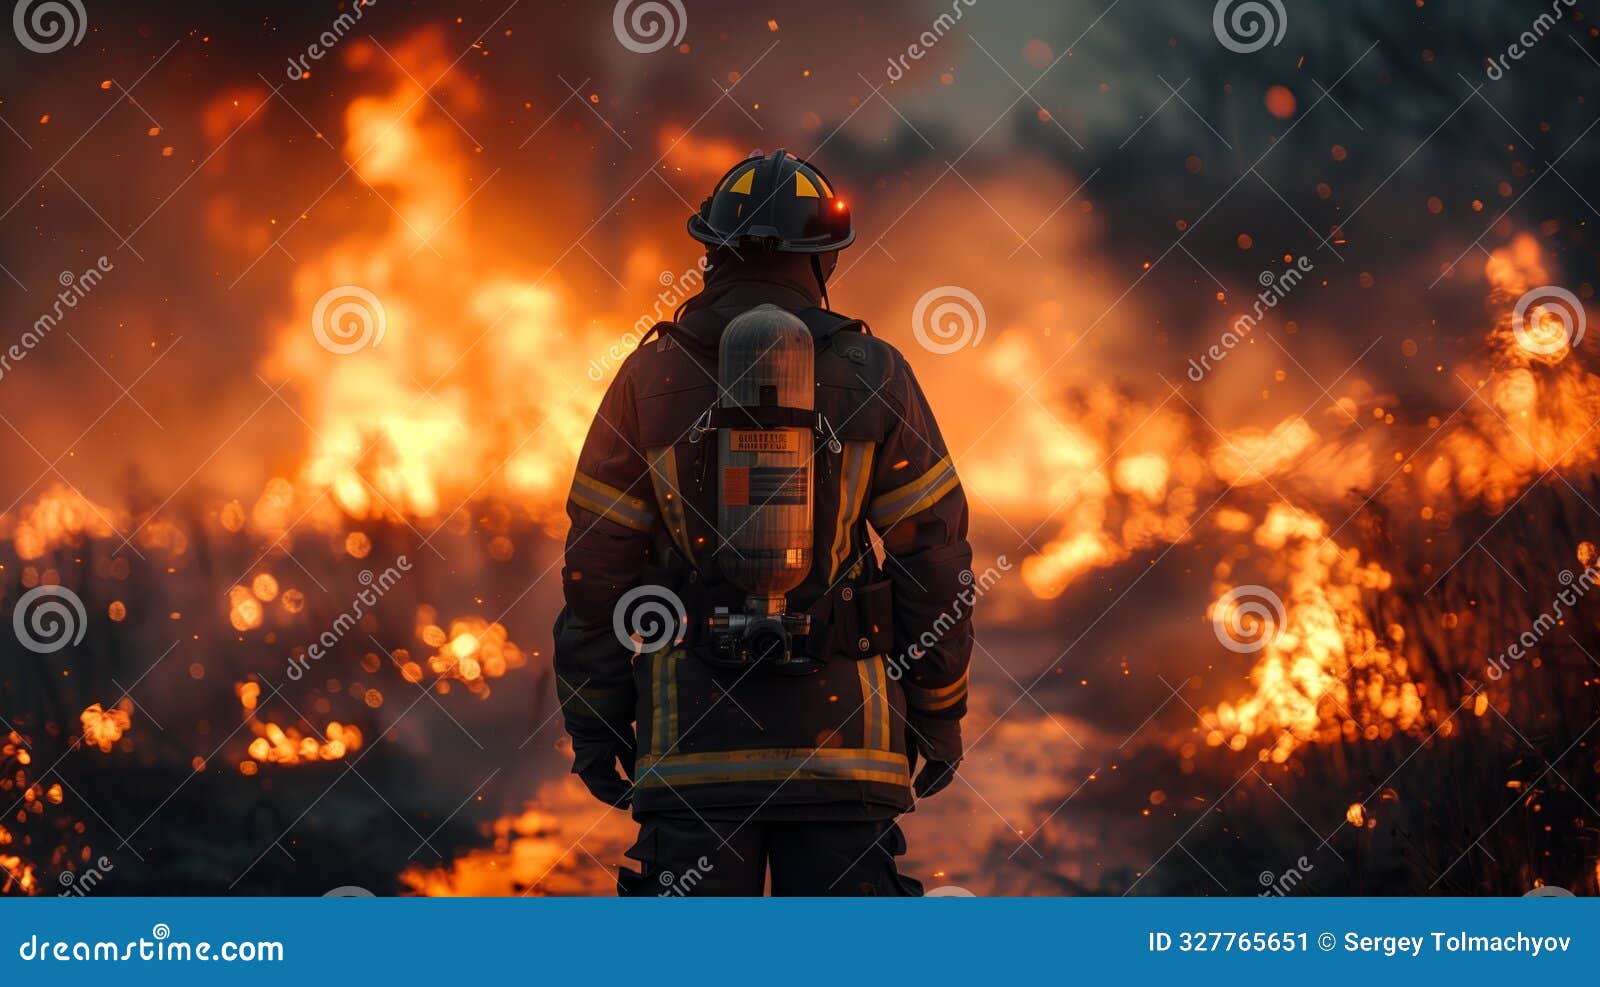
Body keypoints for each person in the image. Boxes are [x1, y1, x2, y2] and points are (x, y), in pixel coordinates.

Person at [553, 149, 973, 896]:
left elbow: (598, 571)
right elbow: (932, 557)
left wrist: (598, 722)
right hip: (848, 755)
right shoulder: (875, 371)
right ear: (823, 257)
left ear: (712, 249)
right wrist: (937, 712)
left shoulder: (648, 377)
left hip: (692, 754)